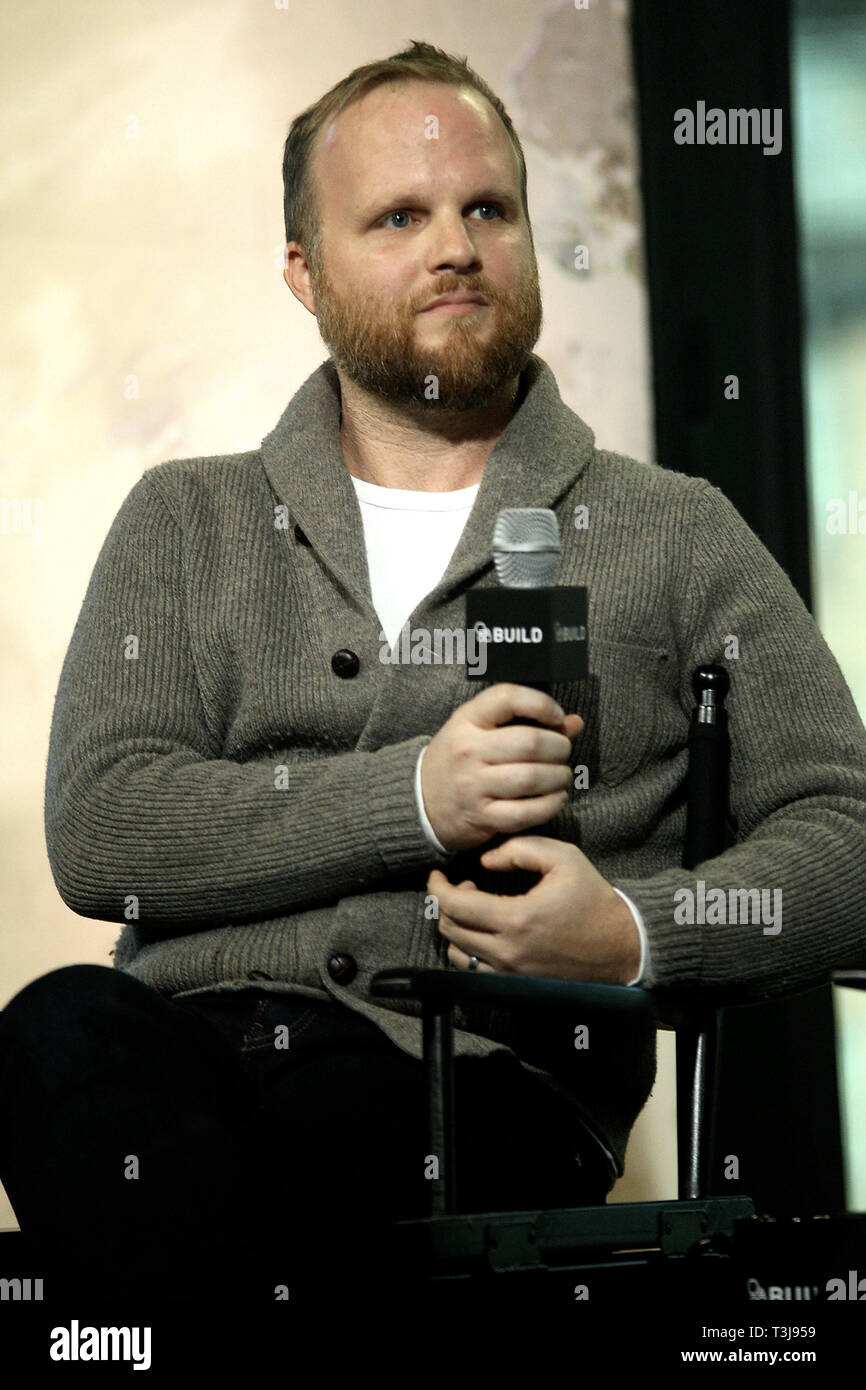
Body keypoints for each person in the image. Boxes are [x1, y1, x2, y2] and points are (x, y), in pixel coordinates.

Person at [2, 40, 865, 1312]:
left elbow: (846, 841)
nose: (452, 245)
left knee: (302, 1159)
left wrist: (633, 932)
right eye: (398, 216)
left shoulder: (673, 531)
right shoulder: (185, 522)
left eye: (486, 209)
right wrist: (411, 795)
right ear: (302, 270)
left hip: (479, 1090)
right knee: (51, 1029)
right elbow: (104, 831)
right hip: (175, 1073)